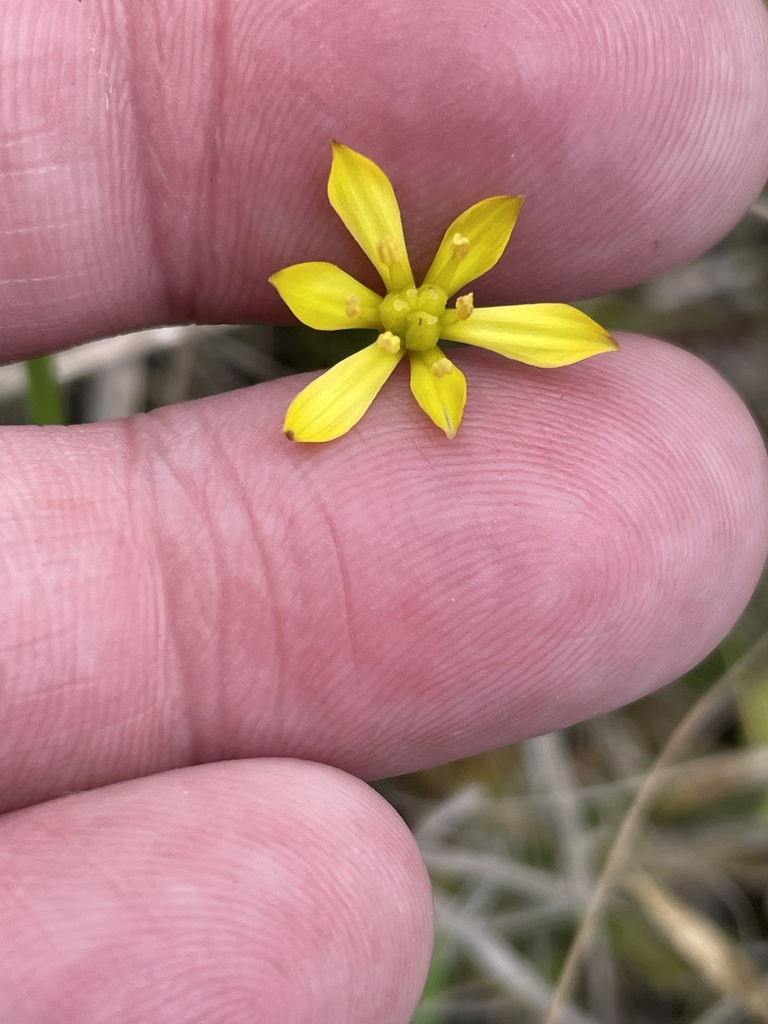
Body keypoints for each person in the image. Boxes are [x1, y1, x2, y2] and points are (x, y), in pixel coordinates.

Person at [1, 0, 767, 1020]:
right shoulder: (380, 319)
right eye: (423, 310)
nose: (423, 311)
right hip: (369, 365)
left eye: (434, 311)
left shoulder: (463, 349)